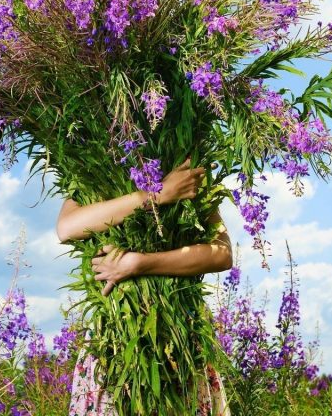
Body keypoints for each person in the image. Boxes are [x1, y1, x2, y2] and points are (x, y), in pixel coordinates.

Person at [56, 157, 232, 416]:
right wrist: (158, 194)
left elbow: (222, 254)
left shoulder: (185, 162)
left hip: (181, 334)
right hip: (114, 338)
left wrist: (140, 263)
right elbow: (67, 227)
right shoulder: (91, 169)